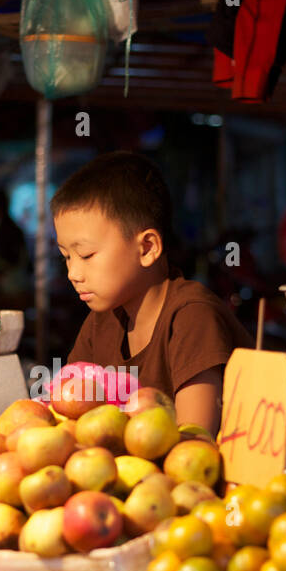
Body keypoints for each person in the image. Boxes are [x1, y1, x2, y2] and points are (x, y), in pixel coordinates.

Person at [55, 151, 252, 435]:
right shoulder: (100, 323)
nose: (73, 273)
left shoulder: (192, 315)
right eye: (66, 257)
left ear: (147, 248)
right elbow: (66, 415)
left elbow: (195, 444)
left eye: (85, 254)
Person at [0, 189, 31, 310]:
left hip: (12, 283)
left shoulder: (6, 228)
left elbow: (9, 260)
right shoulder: (4, 226)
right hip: (13, 280)